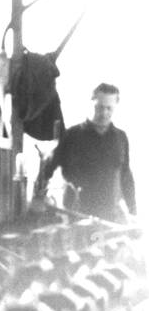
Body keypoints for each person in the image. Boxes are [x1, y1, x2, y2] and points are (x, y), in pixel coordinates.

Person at [33, 83, 137, 222]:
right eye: (100, 107)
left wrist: (132, 210)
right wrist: (38, 197)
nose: (104, 113)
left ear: (116, 106)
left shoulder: (120, 137)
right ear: (91, 103)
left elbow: (125, 175)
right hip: (77, 216)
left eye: (109, 108)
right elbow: (47, 168)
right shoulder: (72, 135)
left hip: (111, 217)